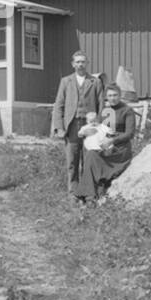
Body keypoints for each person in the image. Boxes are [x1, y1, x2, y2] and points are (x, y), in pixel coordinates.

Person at [51, 51, 105, 198]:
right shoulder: (66, 81)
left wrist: (98, 125)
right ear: (73, 64)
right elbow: (59, 106)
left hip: (89, 127)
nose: (80, 64)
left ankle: (87, 193)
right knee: (72, 161)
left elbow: (101, 105)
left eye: (83, 62)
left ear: (87, 63)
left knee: (88, 160)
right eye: (78, 62)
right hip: (72, 125)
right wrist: (60, 128)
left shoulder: (95, 82)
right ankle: (73, 194)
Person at [75, 84, 136, 202]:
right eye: (109, 96)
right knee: (91, 155)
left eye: (115, 95)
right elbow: (98, 128)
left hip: (120, 149)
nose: (112, 98)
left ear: (120, 95)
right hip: (104, 146)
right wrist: (87, 132)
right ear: (106, 97)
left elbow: (130, 133)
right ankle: (89, 195)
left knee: (94, 158)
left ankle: (89, 195)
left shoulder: (127, 110)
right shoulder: (104, 110)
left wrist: (112, 140)